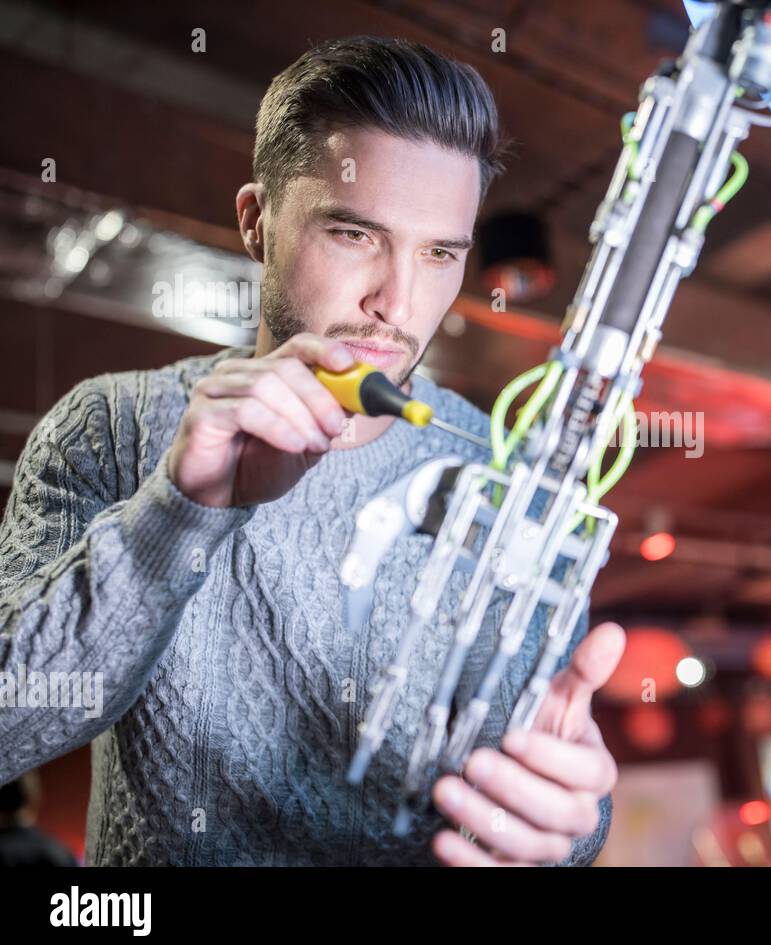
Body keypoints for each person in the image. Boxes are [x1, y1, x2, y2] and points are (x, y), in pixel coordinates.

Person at [0, 35, 623, 866]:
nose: (397, 302)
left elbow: (551, 796)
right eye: (356, 234)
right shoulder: (109, 426)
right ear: (256, 222)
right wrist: (179, 513)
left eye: (440, 253)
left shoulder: (510, 484)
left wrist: (568, 823)